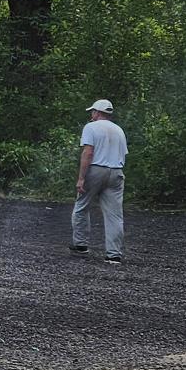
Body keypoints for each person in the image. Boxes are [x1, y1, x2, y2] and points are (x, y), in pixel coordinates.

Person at [70, 97, 127, 265]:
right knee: (115, 215)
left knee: (82, 206)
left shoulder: (91, 127)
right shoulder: (119, 130)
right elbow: (123, 154)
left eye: (92, 112)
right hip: (116, 171)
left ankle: (80, 245)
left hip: (96, 169)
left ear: (97, 112)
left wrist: (81, 178)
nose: (91, 115)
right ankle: (113, 254)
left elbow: (88, 152)